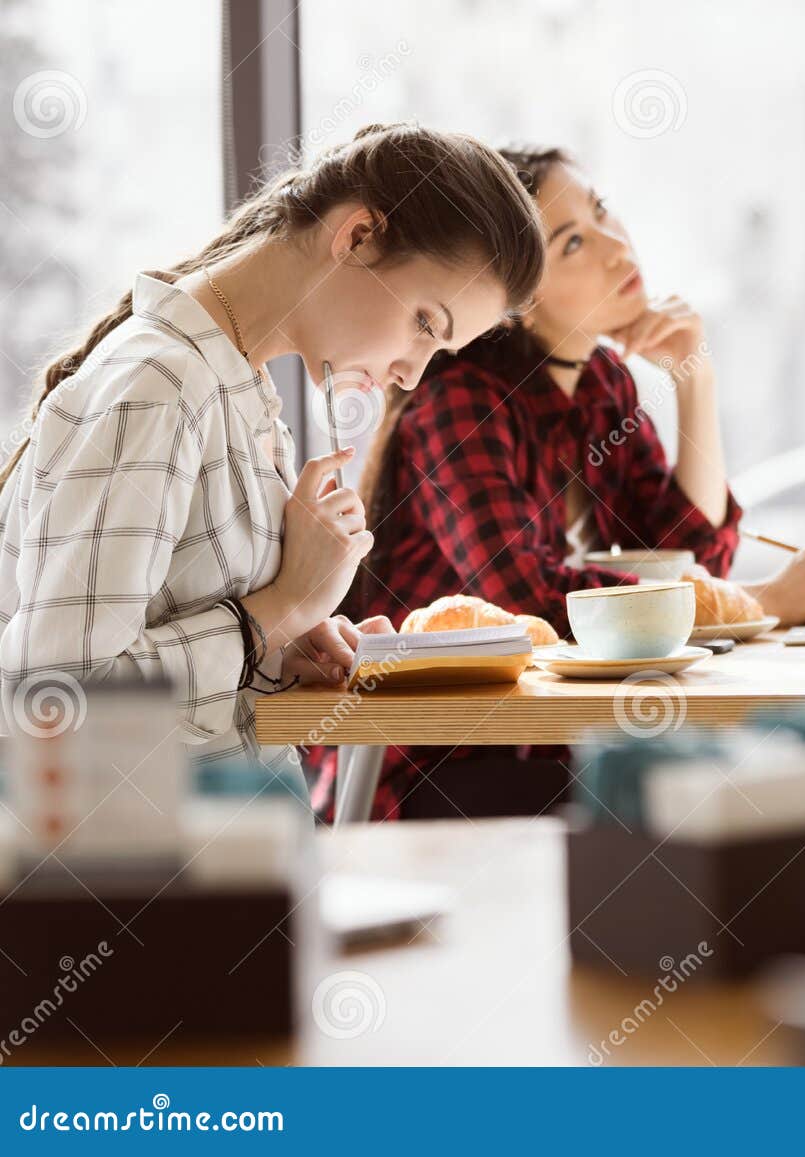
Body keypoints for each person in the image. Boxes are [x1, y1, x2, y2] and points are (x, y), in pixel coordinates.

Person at [308, 147, 805, 822]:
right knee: (695, 797)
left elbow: (689, 557)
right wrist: (764, 599)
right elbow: (525, 597)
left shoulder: (602, 385)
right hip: (437, 759)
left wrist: (695, 380)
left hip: (549, 741)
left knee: (742, 779)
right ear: (514, 297)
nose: (613, 244)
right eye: (573, 242)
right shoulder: (459, 403)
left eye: (600, 211)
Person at [0, 124, 543, 793]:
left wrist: (279, 655)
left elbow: (167, 642)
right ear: (357, 237)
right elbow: (56, 704)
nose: (410, 373)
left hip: (222, 862)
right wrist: (276, 613)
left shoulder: (239, 391)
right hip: (134, 879)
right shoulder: (160, 387)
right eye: (426, 324)